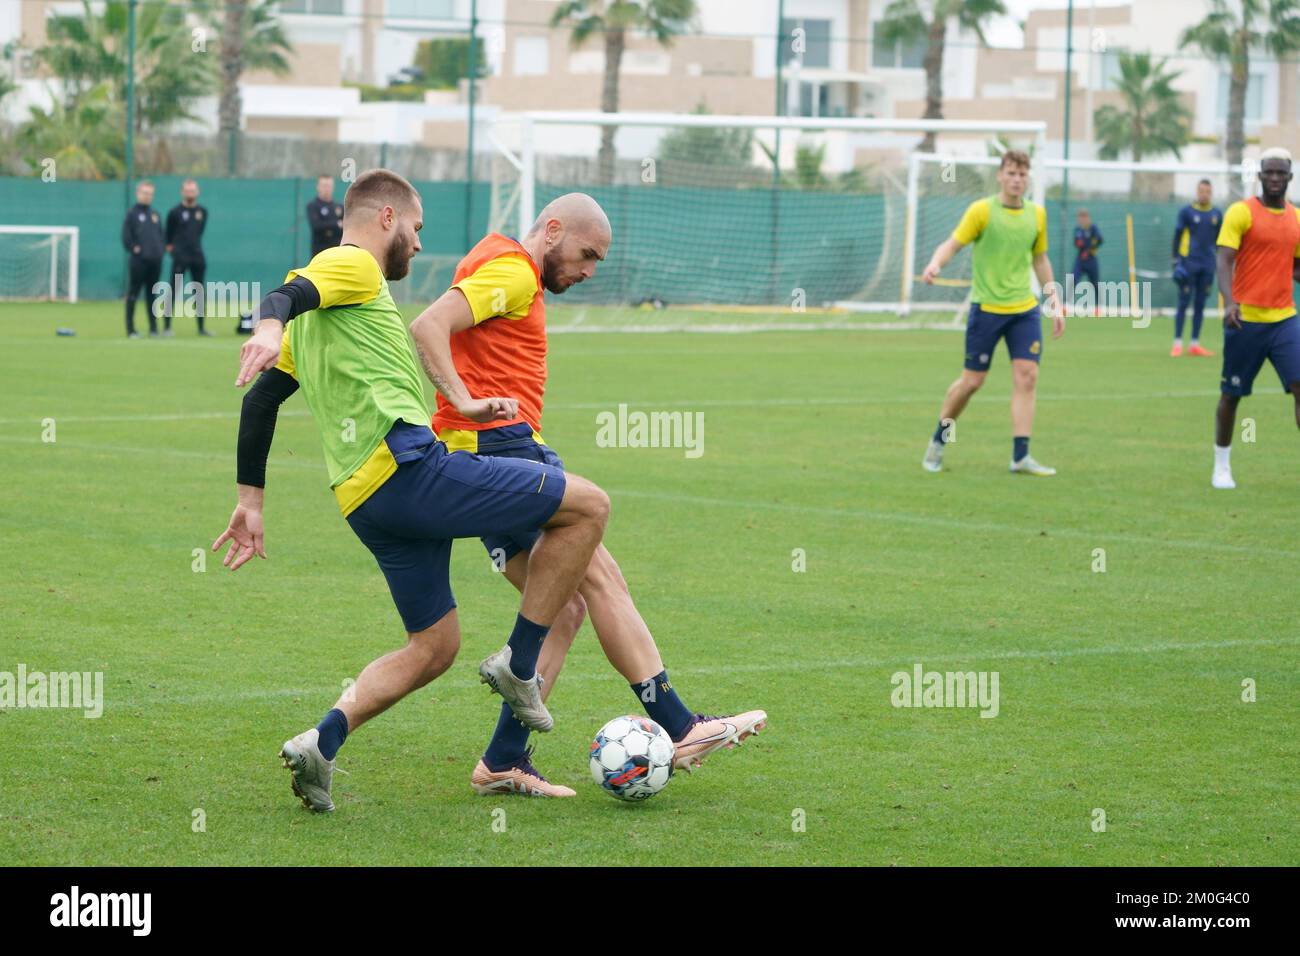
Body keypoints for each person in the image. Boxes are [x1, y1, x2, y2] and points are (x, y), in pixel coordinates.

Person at [214, 169, 611, 812]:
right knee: (589, 505)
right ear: (388, 219)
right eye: (418, 229)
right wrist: (266, 324)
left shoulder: (330, 313)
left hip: (364, 500)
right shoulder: (354, 266)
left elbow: (262, 401)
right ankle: (521, 664)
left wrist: (250, 501)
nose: (421, 246)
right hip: (409, 469)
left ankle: (321, 742)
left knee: (435, 647)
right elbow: (287, 295)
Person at [412, 194, 767, 797]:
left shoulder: (504, 267)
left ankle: (503, 760)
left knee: (568, 604)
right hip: (501, 450)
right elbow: (428, 325)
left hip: (495, 449)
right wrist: (466, 404)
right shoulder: (514, 270)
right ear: (552, 231)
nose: (589, 270)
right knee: (598, 577)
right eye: (586, 255)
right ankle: (680, 725)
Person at [920, 150, 1065, 476]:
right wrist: (935, 263)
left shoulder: (1036, 215)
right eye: (1011, 173)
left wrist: (1053, 302)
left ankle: (1020, 456)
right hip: (986, 310)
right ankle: (938, 441)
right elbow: (953, 244)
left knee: (1027, 377)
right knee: (972, 383)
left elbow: (1040, 260)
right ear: (1000, 176)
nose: (1017, 179)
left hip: (1024, 310)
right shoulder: (981, 211)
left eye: (1022, 174)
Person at [1210, 148, 1300, 490]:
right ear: (1260, 176)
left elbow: (1295, 266)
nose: (1275, 178)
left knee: (1299, 387)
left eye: (1281, 173)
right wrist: (1229, 302)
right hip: (1245, 319)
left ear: (1290, 177)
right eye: (1269, 173)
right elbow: (1224, 260)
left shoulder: (1297, 219)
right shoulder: (1240, 213)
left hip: (1285, 320)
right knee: (1232, 395)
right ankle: (1221, 465)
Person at [1171, 179, 1222, 357]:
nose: (1204, 194)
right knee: (1183, 303)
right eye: (1201, 191)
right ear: (1197, 191)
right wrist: (1176, 263)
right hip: (1189, 264)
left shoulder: (1216, 215)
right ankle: (1177, 343)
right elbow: (1177, 237)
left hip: (1207, 265)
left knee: (1200, 305)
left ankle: (1194, 343)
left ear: (1211, 193)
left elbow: (1220, 243)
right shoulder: (1186, 212)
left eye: (1207, 191)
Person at [164, 178, 212, 337]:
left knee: (199, 291)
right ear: (182, 192)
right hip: (180, 257)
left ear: (197, 192)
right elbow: (168, 237)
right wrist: (175, 251)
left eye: (193, 190)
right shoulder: (174, 212)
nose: (190, 193)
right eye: (187, 190)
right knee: (173, 290)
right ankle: (167, 327)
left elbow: (199, 232)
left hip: (197, 256)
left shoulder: (202, 212)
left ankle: (201, 327)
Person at [120, 180, 165, 339]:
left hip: (155, 260)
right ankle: (131, 329)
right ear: (138, 193)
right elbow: (126, 236)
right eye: (145, 193)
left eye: (150, 194)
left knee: (152, 295)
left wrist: (160, 251)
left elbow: (160, 235)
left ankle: (153, 328)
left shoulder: (155, 214)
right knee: (133, 293)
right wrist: (134, 248)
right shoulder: (132, 213)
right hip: (139, 261)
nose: (147, 196)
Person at [1072, 208, 1103, 316]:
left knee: (1095, 283)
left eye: (1084, 217)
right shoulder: (1077, 229)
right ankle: (1065, 306)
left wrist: (1089, 250)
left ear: (1088, 218)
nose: (1082, 219)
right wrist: (1080, 245)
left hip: (1091, 259)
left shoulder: (1093, 228)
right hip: (1080, 259)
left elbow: (1100, 240)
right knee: (1073, 279)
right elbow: (1076, 242)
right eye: (1080, 217)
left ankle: (1098, 308)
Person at [306, 175, 344, 257]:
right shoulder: (313, 206)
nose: (327, 189)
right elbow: (317, 226)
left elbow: (345, 226)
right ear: (318, 187)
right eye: (324, 186)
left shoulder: (340, 207)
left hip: (337, 252)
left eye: (329, 186)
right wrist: (336, 224)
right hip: (319, 253)